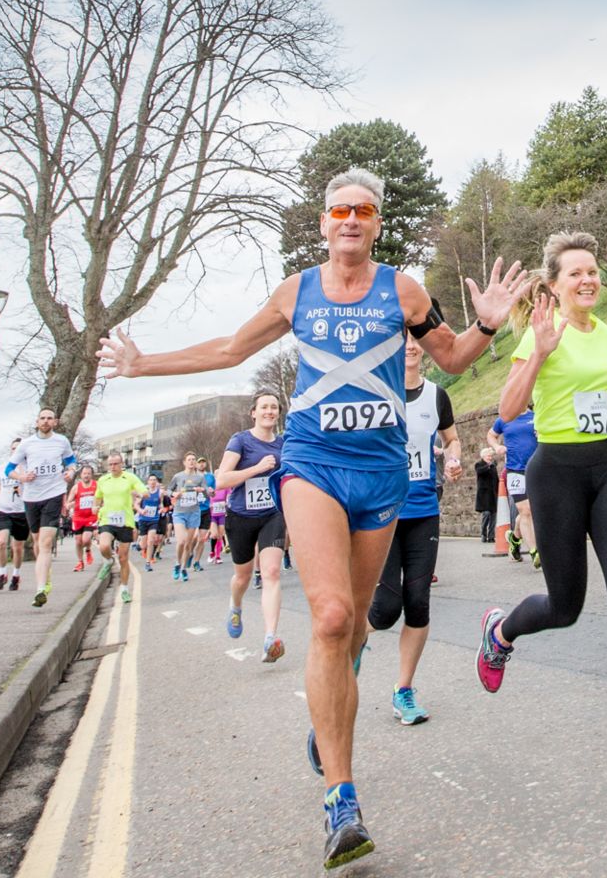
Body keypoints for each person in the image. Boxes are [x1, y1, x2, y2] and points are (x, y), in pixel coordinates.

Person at [98, 166, 524, 870]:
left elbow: (451, 356)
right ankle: (341, 797)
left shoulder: (404, 289)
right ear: (322, 223)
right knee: (328, 618)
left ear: (377, 222)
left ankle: (327, 714)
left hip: (383, 473)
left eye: (362, 210)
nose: (350, 220)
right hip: (313, 463)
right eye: (338, 211)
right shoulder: (297, 291)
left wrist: (486, 323)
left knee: (355, 626)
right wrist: (144, 365)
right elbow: (231, 349)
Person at [475, 232, 607, 783]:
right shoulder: (541, 335)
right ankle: (501, 632)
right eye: (576, 273)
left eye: (593, 270)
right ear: (554, 285)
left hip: (606, 470)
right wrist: (540, 351)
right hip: (556, 477)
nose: (589, 279)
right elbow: (508, 408)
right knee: (565, 606)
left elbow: (594, 403)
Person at [360, 337, 462, 724]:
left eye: (416, 341)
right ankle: (355, 639)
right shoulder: (374, 392)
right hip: (382, 513)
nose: (410, 347)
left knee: (418, 603)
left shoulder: (437, 396)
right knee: (386, 609)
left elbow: (451, 438)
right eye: (401, 341)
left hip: (423, 510)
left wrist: (453, 458)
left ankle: (403, 690)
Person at [215, 394, 289, 661]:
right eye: (264, 407)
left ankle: (270, 638)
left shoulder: (283, 443)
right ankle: (235, 605)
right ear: (253, 413)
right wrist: (257, 468)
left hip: (273, 514)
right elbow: (221, 480)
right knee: (243, 577)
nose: (269, 411)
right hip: (241, 516)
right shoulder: (241, 441)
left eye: (273, 407)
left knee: (271, 572)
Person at [6, 409, 77, 608]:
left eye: (49, 418)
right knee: (37, 541)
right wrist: (22, 478)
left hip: (53, 494)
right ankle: (45, 577)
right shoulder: (27, 444)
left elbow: (71, 461)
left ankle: (40, 589)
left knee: (45, 543)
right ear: (37, 422)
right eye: (42, 418)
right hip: (31, 497)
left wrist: (70, 472)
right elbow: (8, 470)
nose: (46, 421)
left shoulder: (62, 441)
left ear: (55, 422)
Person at [93, 453, 147, 603]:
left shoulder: (130, 478)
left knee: (123, 558)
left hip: (125, 522)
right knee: (104, 546)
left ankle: (124, 589)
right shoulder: (103, 480)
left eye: (116, 464)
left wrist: (144, 493)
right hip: (107, 519)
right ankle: (109, 561)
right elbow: (98, 496)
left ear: (122, 464)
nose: (113, 467)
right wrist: (95, 506)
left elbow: (141, 488)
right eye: (110, 464)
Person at [488, 406, 538, 565]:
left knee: (530, 512)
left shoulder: (537, 416)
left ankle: (514, 539)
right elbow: (491, 435)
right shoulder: (504, 417)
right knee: (526, 510)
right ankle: (535, 552)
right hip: (515, 470)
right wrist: (497, 447)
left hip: (537, 469)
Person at [0, 438, 27, 591]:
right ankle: (2, 573)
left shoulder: (27, 467)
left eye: (18, 449)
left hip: (21, 511)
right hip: (3, 510)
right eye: (13, 448)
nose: (15, 451)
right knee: (1, 542)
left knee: (17, 547)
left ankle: (16, 575)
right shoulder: (4, 467)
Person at [169, 453, 207, 581]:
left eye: (193, 460)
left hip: (194, 513)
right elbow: (168, 490)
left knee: (188, 544)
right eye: (189, 460)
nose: (191, 462)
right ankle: (177, 563)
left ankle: (184, 568)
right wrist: (174, 493)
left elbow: (208, 491)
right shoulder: (178, 476)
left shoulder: (200, 477)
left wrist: (204, 491)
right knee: (181, 541)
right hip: (180, 512)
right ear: (184, 462)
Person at [66, 464, 99, 572]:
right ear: (81, 475)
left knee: (85, 539)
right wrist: (69, 504)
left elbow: (102, 498)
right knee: (78, 541)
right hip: (78, 518)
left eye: (89, 474)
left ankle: (88, 550)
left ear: (92, 475)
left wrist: (100, 506)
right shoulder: (76, 487)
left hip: (91, 517)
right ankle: (80, 562)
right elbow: (68, 501)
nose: (86, 476)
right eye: (84, 473)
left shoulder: (96, 485)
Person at [136, 474, 165, 571]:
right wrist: (141, 511)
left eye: (154, 480)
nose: (152, 482)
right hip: (143, 520)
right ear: (148, 482)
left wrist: (161, 509)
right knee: (144, 545)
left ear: (156, 482)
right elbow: (136, 504)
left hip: (154, 520)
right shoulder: (144, 492)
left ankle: (148, 563)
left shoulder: (160, 493)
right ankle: (139, 545)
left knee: (151, 541)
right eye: (151, 480)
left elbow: (160, 504)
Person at [474, 446, 498, 545]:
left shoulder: (493, 467)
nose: (490, 458)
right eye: (488, 456)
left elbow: (496, 479)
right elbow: (480, 471)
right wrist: (489, 466)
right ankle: (483, 533)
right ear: (483, 456)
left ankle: (491, 536)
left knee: (493, 516)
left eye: (491, 456)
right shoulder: (479, 464)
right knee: (486, 514)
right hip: (484, 495)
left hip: (492, 494)